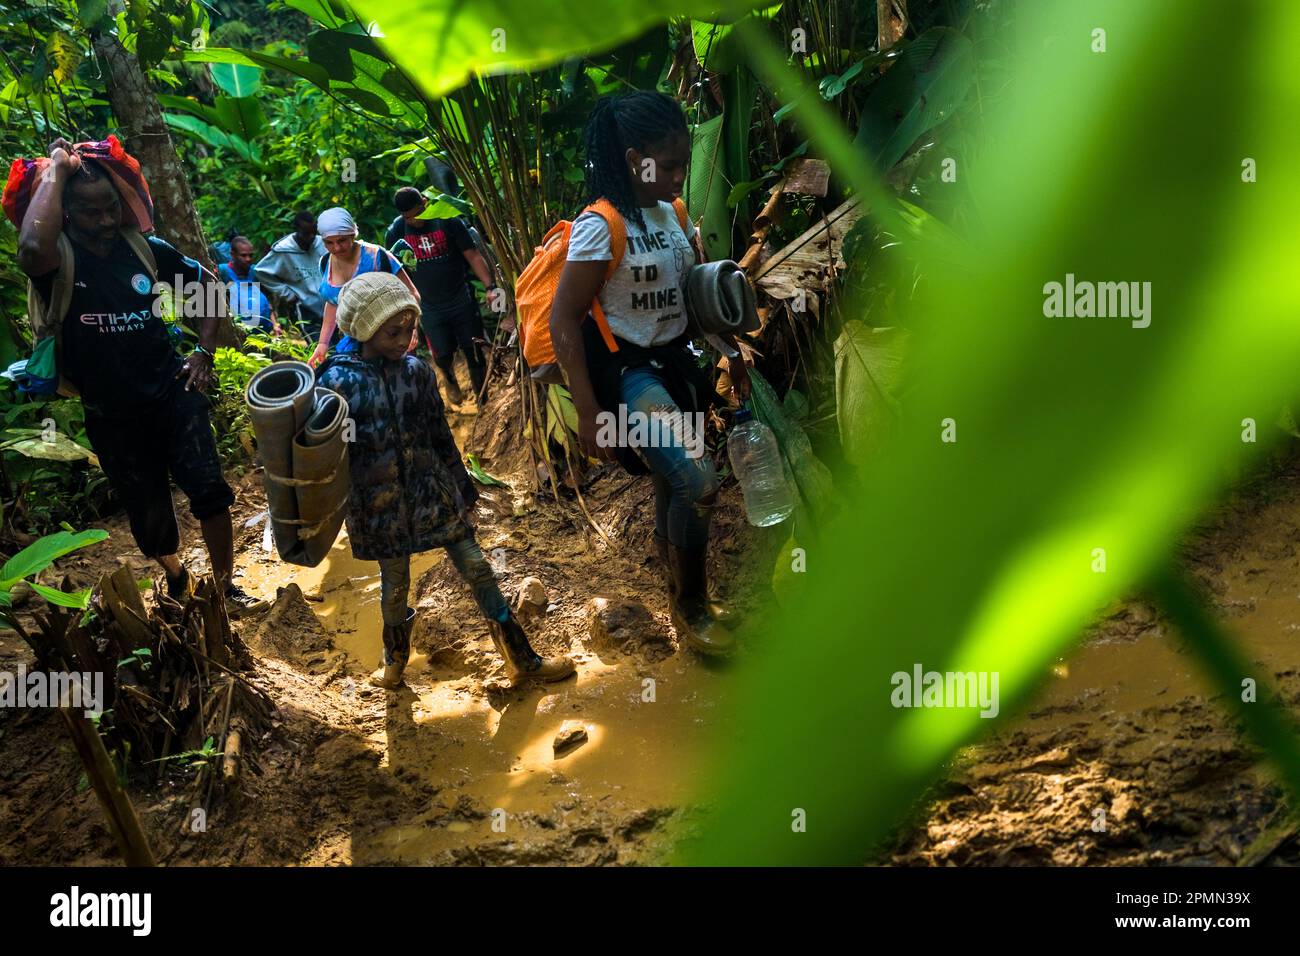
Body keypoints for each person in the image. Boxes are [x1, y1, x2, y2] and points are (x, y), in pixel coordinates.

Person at [14, 137, 264, 615]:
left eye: (111, 208)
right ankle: (177, 576)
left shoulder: (142, 249)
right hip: (110, 411)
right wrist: (56, 172)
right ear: (66, 211)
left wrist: (203, 352)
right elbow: (29, 246)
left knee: (210, 491)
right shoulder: (57, 261)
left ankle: (227, 586)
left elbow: (208, 286)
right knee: (147, 511)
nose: (106, 221)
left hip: (172, 390)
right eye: (91, 212)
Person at [549, 92, 750, 657]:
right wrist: (588, 410)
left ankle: (675, 591)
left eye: (684, 162)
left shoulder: (676, 214)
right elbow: (563, 318)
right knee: (698, 480)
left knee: (673, 483)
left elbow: (693, 297)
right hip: (631, 375)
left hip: (677, 363)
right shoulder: (601, 226)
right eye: (670, 164)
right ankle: (692, 608)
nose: (681, 175)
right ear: (636, 158)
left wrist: (730, 352)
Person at [316, 271, 575, 688]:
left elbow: (438, 433)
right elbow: (327, 455)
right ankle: (393, 665)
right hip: (380, 506)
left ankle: (521, 658)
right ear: (364, 329)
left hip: (432, 491)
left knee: (479, 567)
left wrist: (462, 484)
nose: (404, 340)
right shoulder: (337, 383)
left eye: (410, 328)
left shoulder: (416, 373)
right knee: (394, 587)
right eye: (392, 332)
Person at [385, 187, 502, 405]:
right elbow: (394, 273)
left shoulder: (447, 220)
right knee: (442, 354)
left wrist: (490, 287)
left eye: (415, 214)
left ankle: (482, 398)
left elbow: (473, 256)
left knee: (474, 350)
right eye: (406, 217)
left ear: (424, 202)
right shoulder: (396, 232)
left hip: (461, 299)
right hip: (428, 307)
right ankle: (449, 379)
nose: (412, 221)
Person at [309, 206, 419, 368]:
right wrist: (323, 343)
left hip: (391, 341)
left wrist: (411, 328)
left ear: (352, 234)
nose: (336, 248)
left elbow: (412, 294)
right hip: (354, 347)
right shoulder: (325, 263)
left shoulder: (377, 257)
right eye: (329, 243)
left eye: (342, 241)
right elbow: (333, 302)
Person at [254, 210, 327, 340]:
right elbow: (260, 271)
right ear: (296, 230)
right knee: (316, 344)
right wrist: (287, 294)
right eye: (306, 233)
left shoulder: (324, 244)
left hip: (330, 304)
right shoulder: (283, 250)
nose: (310, 237)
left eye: (313, 233)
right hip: (305, 309)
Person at [217, 236, 281, 336]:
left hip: (262, 332)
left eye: (250, 255)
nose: (248, 259)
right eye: (243, 255)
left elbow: (266, 299)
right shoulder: (222, 271)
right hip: (237, 332)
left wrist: (275, 324)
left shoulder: (255, 272)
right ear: (232, 255)